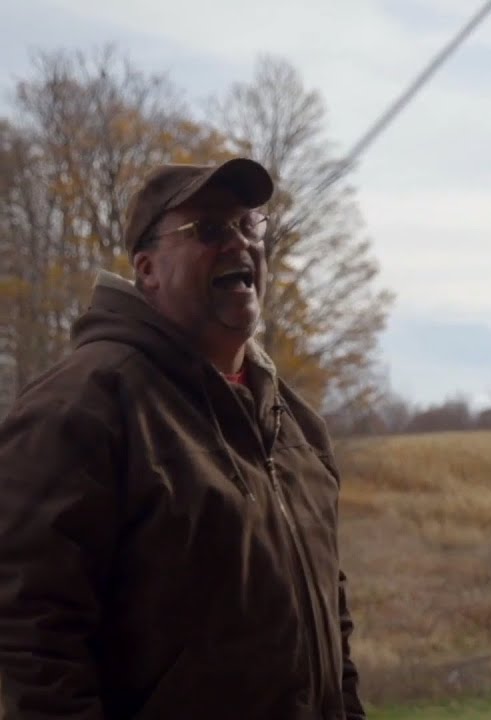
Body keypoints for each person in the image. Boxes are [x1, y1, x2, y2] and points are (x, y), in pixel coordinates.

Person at [0, 158, 366, 719]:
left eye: (249, 225)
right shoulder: (80, 408)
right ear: (147, 270)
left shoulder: (296, 424)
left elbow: (332, 624)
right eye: (210, 229)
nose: (240, 243)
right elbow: (30, 639)